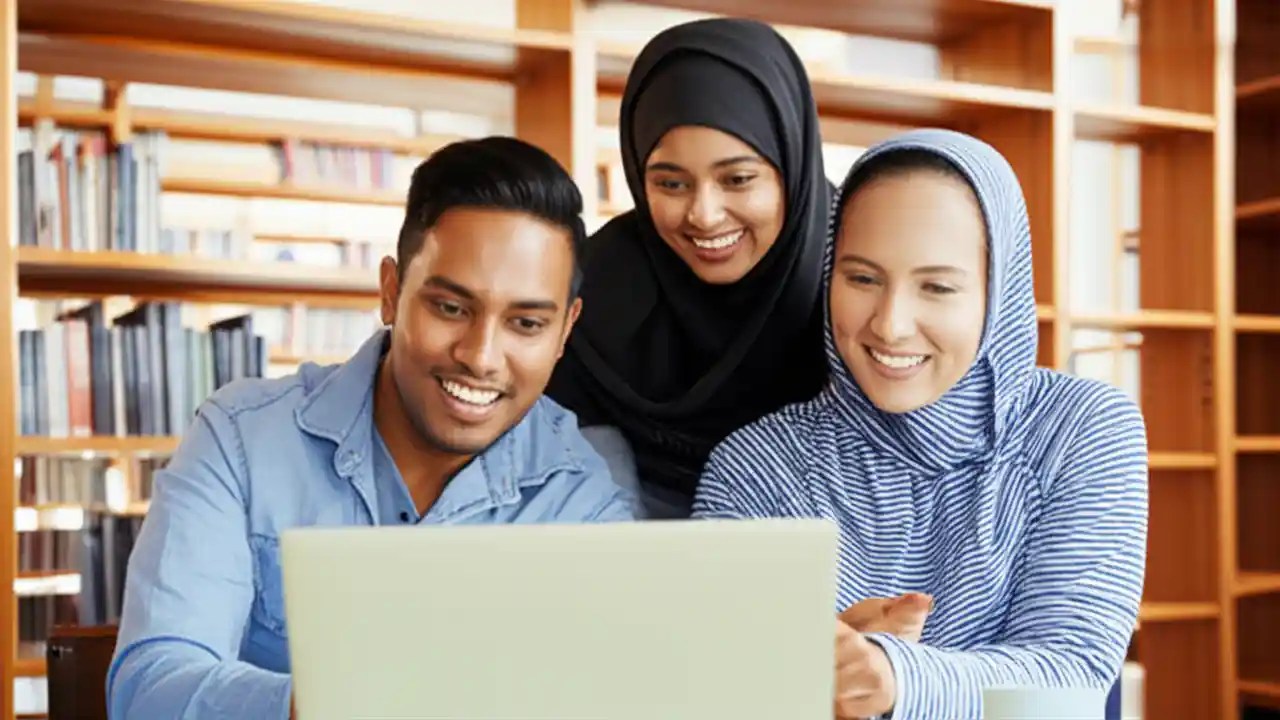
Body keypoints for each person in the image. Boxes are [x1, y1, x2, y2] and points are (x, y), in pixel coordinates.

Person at [106, 136, 637, 719]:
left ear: (565, 331)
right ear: (391, 292)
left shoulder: (583, 500)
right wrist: (343, 703)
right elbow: (149, 692)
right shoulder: (241, 439)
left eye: (527, 323)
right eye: (451, 309)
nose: (481, 357)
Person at [693, 129, 1149, 718]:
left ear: (997, 292)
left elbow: (1071, 679)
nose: (891, 324)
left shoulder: (1082, 430)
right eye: (862, 278)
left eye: (936, 286)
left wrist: (890, 675)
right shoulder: (755, 464)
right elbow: (716, 689)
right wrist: (804, 682)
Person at [544, 17, 833, 519]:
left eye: (738, 179)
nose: (704, 214)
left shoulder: (860, 278)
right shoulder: (592, 287)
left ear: (793, 166)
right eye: (671, 184)